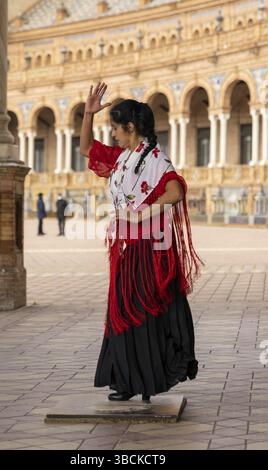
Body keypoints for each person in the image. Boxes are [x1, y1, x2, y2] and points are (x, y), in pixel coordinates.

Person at [80, 82, 204, 402]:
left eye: (116, 129)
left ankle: (144, 380)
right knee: (122, 310)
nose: (113, 135)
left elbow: (175, 191)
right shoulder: (123, 158)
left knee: (144, 313)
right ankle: (125, 379)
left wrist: (141, 214)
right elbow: (85, 149)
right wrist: (88, 115)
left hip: (151, 250)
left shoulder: (155, 159)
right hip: (127, 249)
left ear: (131, 127)